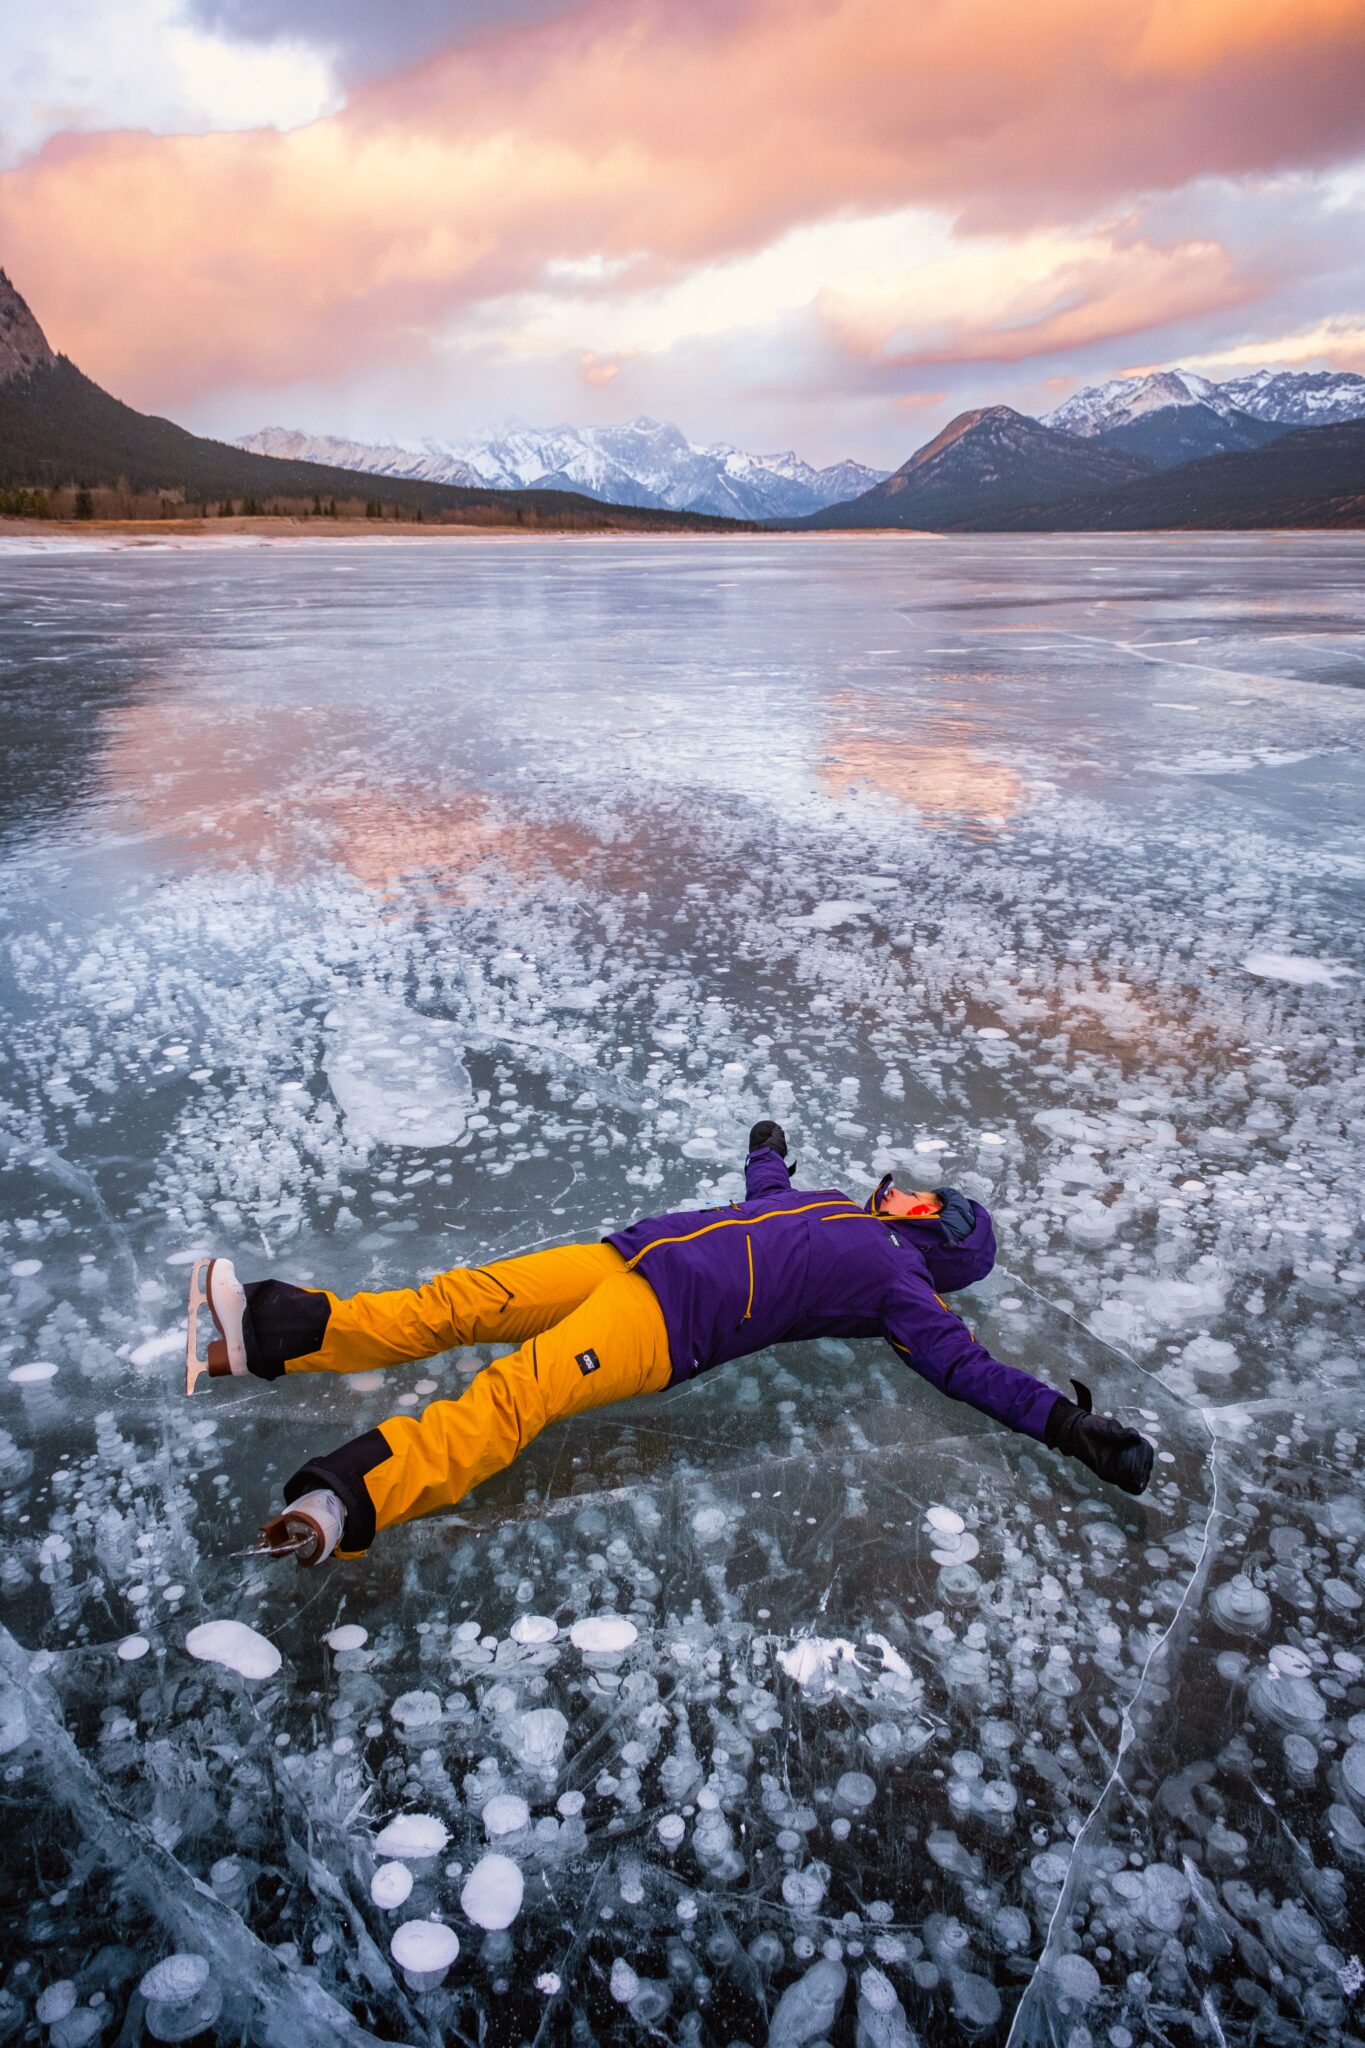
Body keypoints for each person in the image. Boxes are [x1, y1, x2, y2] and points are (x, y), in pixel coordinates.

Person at [185, 1120, 1154, 1564]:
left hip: (664, 1324)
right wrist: (767, 1153)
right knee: (454, 1302)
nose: (897, 1192)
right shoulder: (832, 1205)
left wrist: (1067, 1425)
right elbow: (769, 1199)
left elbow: (969, 1371)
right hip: (624, 1257)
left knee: (515, 1395)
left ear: (940, 1234)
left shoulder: (905, 1288)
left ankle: (343, 1500)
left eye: (919, 1200)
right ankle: (258, 1333)